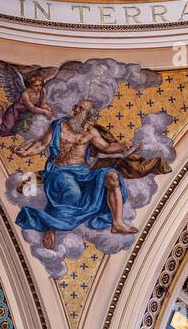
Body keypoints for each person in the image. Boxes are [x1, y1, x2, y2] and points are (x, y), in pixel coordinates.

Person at [15, 98, 138, 247]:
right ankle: (52, 227)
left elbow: (106, 147)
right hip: (59, 170)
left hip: (82, 172)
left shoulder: (91, 132)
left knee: (112, 176)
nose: (76, 110)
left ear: (88, 114)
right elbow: (42, 143)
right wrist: (26, 152)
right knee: (73, 192)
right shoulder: (59, 126)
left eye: (81, 109)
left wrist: (122, 146)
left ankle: (117, 222)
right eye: (77, 107)